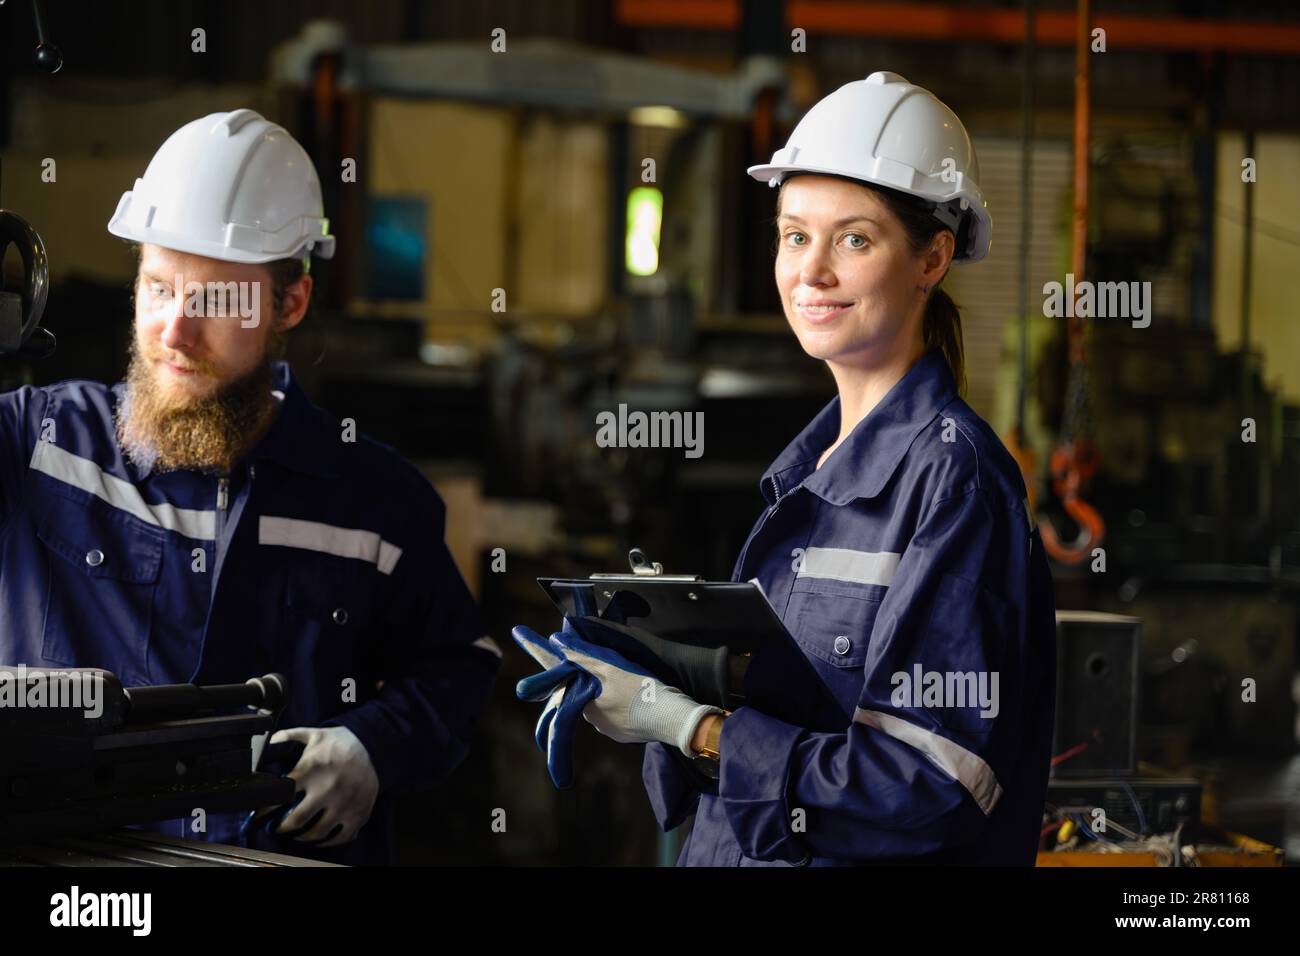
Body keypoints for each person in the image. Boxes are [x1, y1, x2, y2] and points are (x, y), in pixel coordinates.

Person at [515, 72, 1057, 865]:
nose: (813, 272)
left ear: (932, 258)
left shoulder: (954, 483)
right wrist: (667, 671)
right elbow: (801, 706)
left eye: (856, 239)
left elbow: (929, 782)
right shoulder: (809, 470)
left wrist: (688, 727)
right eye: (795, 234)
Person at [0, 109, 500, 865]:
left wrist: (375, 744)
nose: (175, 329)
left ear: (287, 305)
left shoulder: (376, 504)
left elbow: (460, 667)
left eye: (215, 301)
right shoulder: (38, 448)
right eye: (159, 287)